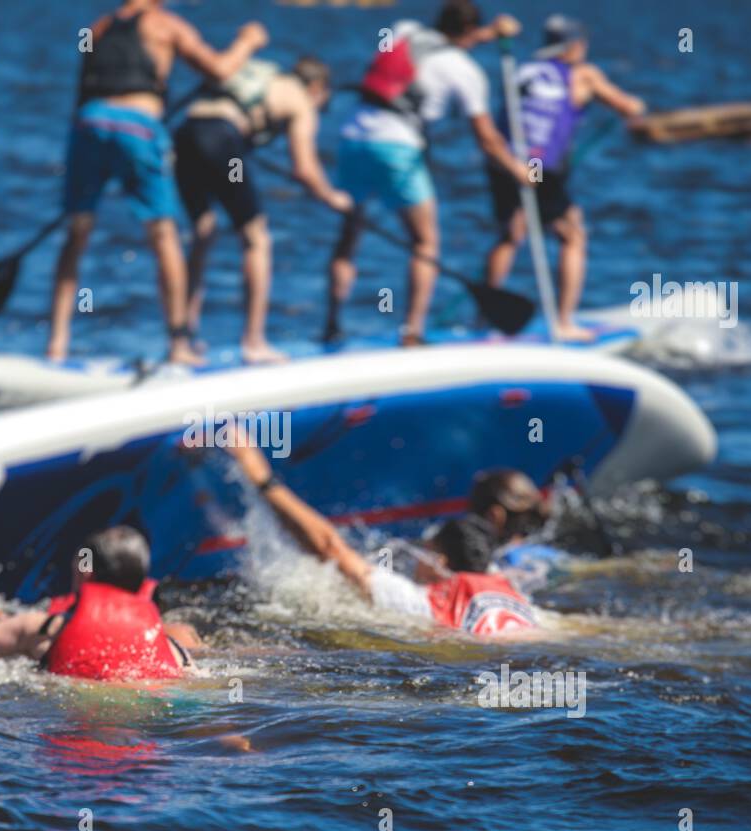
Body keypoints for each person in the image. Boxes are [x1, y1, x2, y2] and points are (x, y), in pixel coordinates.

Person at [47, 0, 269, 366]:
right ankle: (178, 343)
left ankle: (56, 343)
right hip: (137, 126)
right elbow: (219, 71)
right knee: (163, 233)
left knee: (77, 232)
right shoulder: (166, 25)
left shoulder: (96, 28)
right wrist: (247, 42)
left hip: (88, 126)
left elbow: (83, 88)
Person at [326, 0, 533, 345]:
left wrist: (488, 33)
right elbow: (487, 139)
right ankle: (412, 333)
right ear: (468, 33)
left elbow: (441, 42)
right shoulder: (465, 71)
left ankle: (331, 326)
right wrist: (519, 171)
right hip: (398, 146)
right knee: (425, 242)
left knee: (348, 238)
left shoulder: (403, 28)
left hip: (353, 137)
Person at [227, 442, 543, 637]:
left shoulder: (427, 602)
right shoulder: (515, 596)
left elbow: (330, 547)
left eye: (425, 551)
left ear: (440, 562)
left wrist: (261, 478)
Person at [174, 56, 353, 363]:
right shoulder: (301, 100)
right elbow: (305, 169)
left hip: (186, 135)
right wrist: (333, 198)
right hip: (222, 140)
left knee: (203, 232)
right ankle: (254, 342)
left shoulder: (262, 76)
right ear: (317, 88)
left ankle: (183, 340)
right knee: (256, 238)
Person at [483, 14, 647, 341]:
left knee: (510, 234)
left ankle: (486, 320)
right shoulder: (582, 75)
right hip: (540, 165)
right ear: (573, 46)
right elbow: (627, 107)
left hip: (505, 160)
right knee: (572, 234)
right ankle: (564, 322)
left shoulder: (525, 69)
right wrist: (634, 105)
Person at [0, 508, 203, 681]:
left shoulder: (45, 629)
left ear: (85, 572)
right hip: (155, 734)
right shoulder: (176, 644)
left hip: (74, 728)